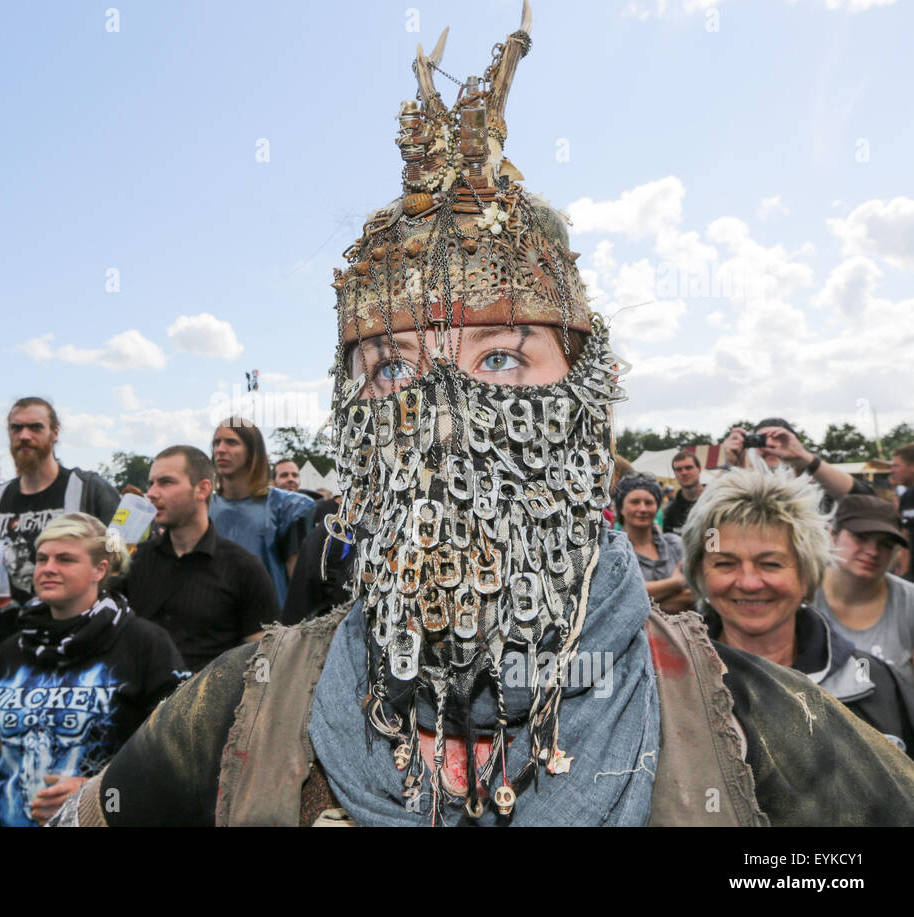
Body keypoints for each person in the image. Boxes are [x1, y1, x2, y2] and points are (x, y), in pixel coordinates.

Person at [48, 15, 914, 827]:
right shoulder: (241, 708)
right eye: (392, 368)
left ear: (586, 399)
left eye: (500, 358)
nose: (443, 419)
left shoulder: (760, 727)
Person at [0, 513, 183, 826]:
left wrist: (96, 787)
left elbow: (173, 750)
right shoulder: (9, 654)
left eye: (65, 559)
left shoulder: (143, 643)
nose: (48, 568)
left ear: (99, 569)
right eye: (42, 558)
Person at [683, 467, 914, 754]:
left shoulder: (875, 684)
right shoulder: (668, 684)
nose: (749, 582)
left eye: (771, 563)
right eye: (725, 563)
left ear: (807, 574)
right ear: (699, 574)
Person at [0, 397, 121, 651]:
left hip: (78, 641)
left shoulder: (88, 489)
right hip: (9, 644)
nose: (24, 435)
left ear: (54, 433)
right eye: (16, 428)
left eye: (35, 427)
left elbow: (120, 564)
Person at [119, 445, 276, 672]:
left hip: (210, 702)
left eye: (166, 482)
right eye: (151, 483)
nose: (152, 493)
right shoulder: (136, 561)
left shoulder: (243, 568)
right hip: (138, 701)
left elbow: (264, 658)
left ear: (202, 489)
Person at [814, 495, 914, 695]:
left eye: (885, 544)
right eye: (861, 537)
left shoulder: (908, 603)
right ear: (832, 535)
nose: (873, 551)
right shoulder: (801, 595)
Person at [209, 418, 313, 607]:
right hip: (214, 617)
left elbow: (297, 577)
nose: (220, 449)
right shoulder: (203, 507)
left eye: (231, 442)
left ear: (252, 451)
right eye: (217, 443)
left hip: (269, 620)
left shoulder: (286, 506)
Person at [720, 417, 872, 512]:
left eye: (779, 438)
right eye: (761, 439)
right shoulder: (746, 490)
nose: (770, 445)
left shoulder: (816, 488)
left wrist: (805, 458)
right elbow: (705, 516)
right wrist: (730, 466)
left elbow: (865, 499)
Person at [616, 474, 692, 612]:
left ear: (657, 508)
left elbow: (693, 595)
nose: (643, 509)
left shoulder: (674, 544)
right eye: (635, 502)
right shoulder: (613, 551)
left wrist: (644, 605)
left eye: (649, 502)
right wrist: (675, 583)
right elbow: (619, 598)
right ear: (621, 508)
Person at [662, 451, 704, 535]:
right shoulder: (670, 512)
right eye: (678, 469)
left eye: (688, 468)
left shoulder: (715, 501)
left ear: (699, 469)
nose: (684, 473)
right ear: (675, 474)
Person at [889, 443, 914, 581]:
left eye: (896, 466)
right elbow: (905, 536)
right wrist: (905, 572)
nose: (892, 470)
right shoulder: (907, 496)